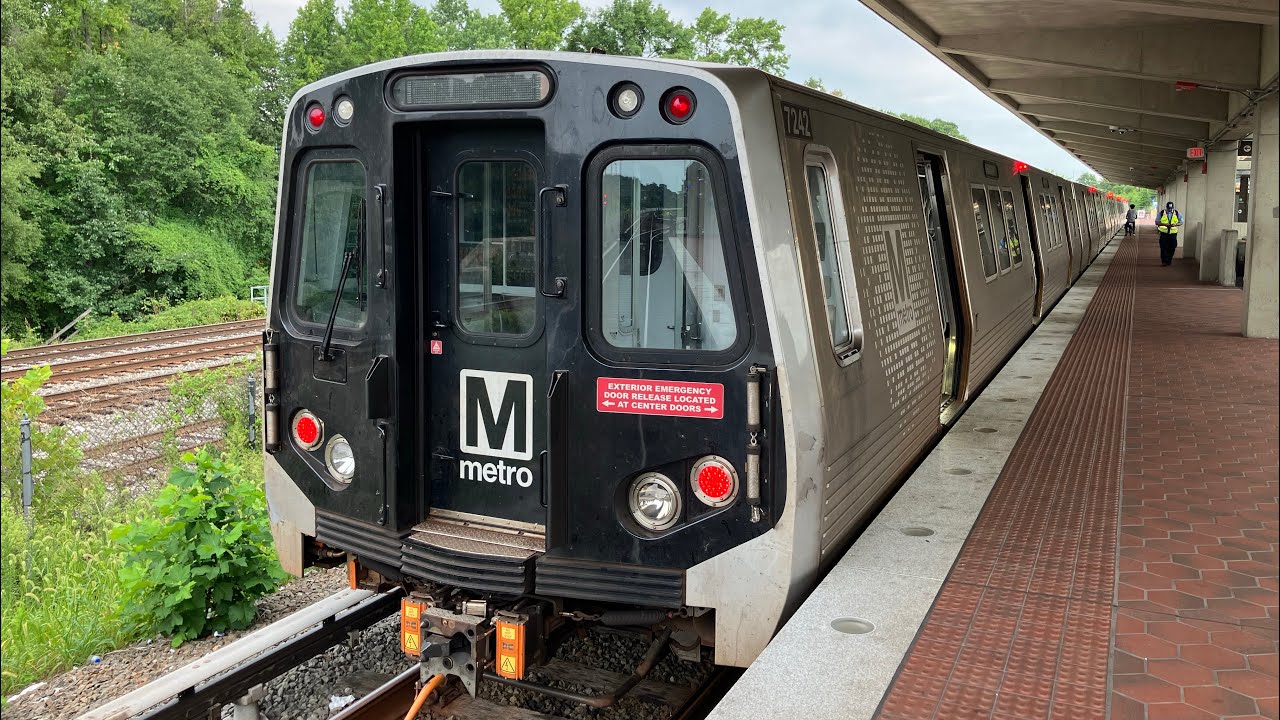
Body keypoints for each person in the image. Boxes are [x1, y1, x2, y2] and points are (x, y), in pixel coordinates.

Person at [1156, 201, 1182, 266]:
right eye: (1168, 208)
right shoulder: (1162, 213)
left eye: (1171, 208)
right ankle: (1164, 261)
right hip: (1164, 233)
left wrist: (1176, 224)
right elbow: (1157, 222)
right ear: (1166, 207)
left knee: (1172, 247)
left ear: (1173, 207)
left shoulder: (1177, 213)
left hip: (1173, 234)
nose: (1170, 209)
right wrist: (1165, 224)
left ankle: (1169, 259)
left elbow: (1181, 221)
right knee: (1163, 247)